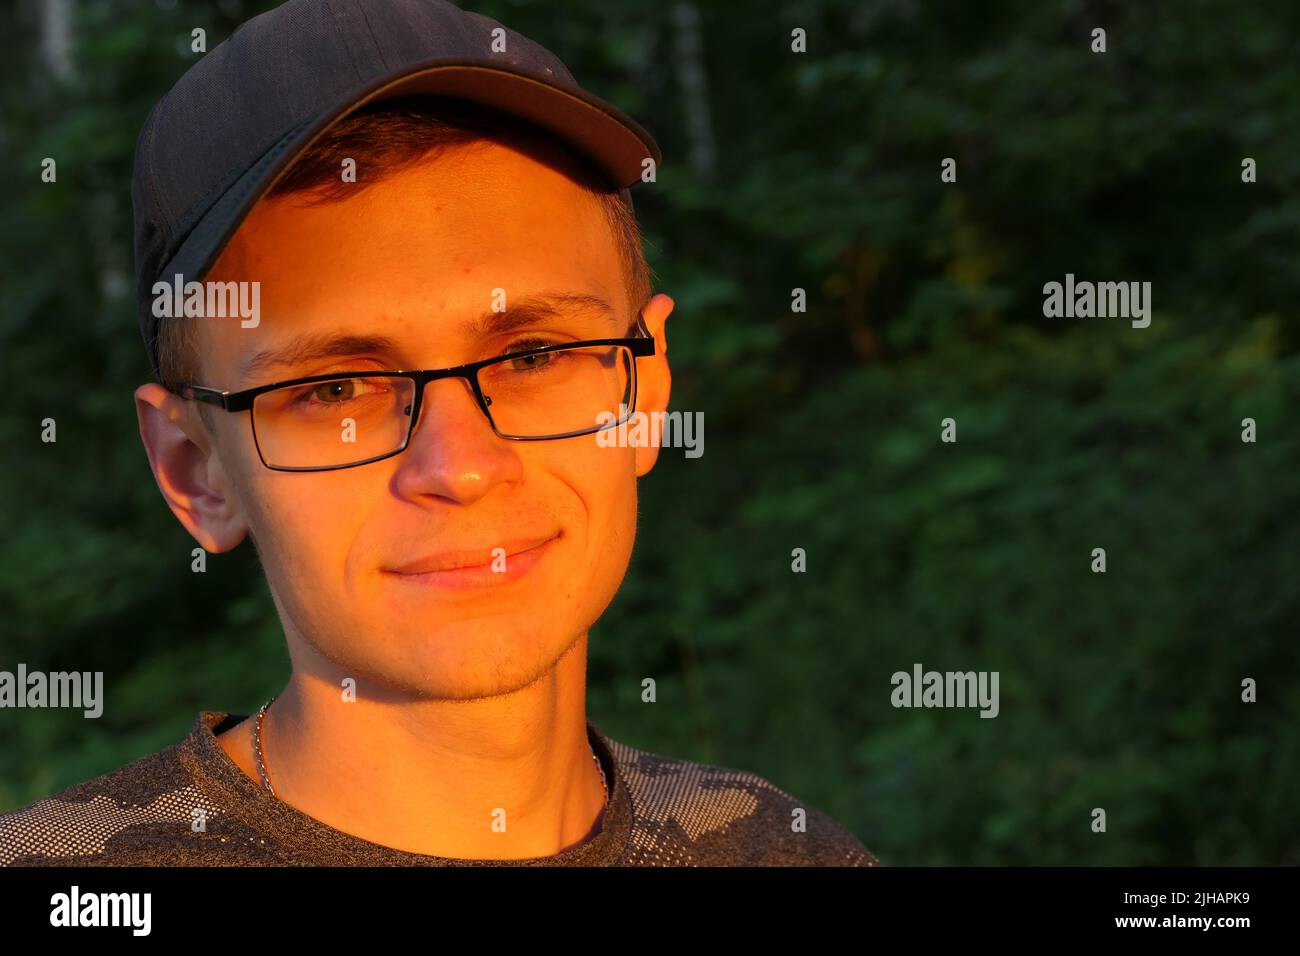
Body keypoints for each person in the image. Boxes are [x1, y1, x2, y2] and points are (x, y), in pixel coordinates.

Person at [0, 0, 878, 867]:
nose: (459, 467)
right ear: (197, 472)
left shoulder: (777, 848)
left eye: (533, 355)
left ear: (645, 395)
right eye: (335, 387)